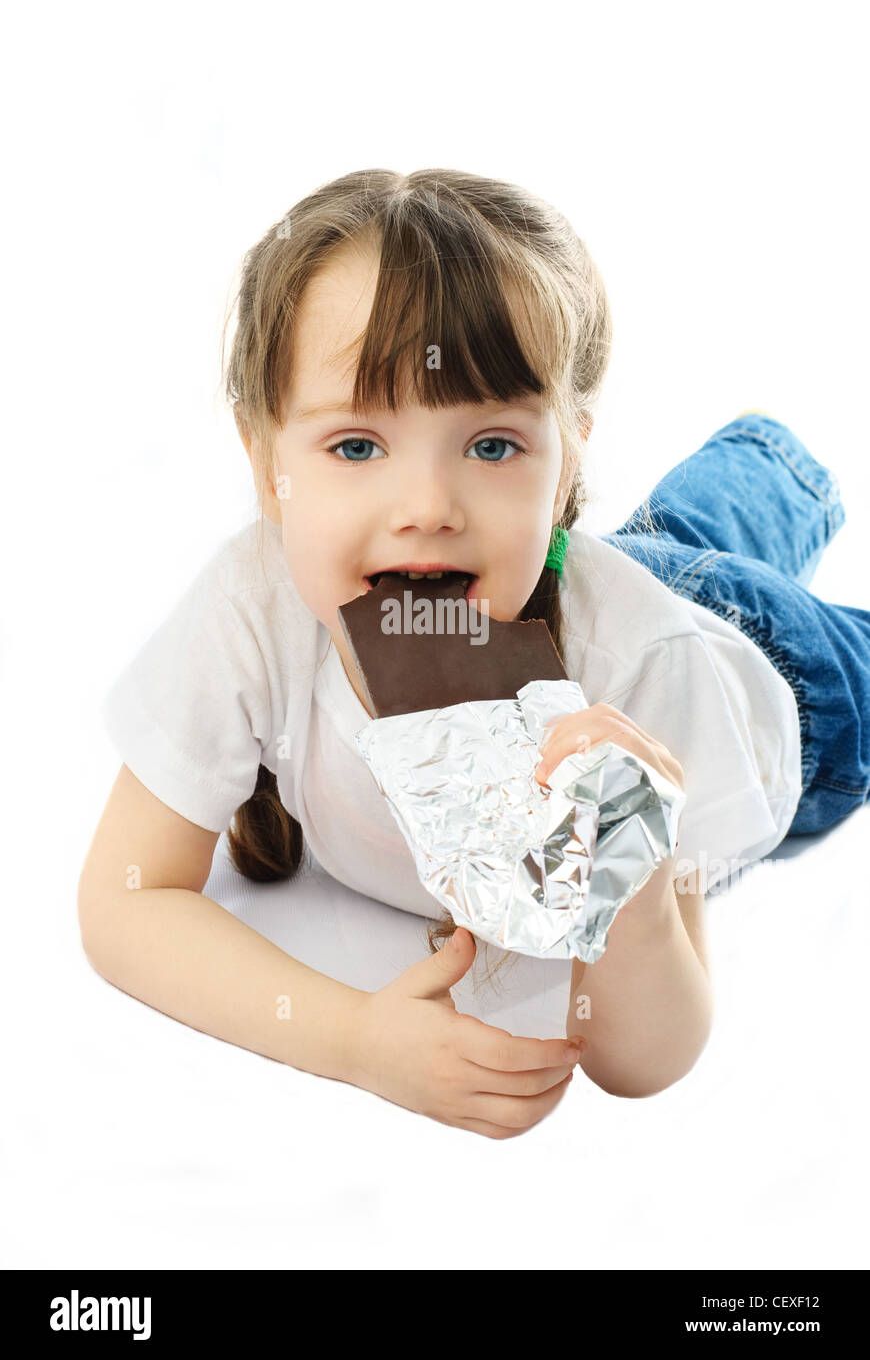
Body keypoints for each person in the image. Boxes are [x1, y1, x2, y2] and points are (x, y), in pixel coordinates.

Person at [77, 169, 869, 1138]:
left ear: (564, 460)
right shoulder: (254, 600)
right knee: (680, 547)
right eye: (359, 446)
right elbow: (127, 902)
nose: (429, 508)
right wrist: (354, 1039)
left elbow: (646, 1061)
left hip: (787, 680)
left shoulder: (648, 667)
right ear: (266, 464)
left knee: (724, 596)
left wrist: (634, 864)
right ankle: (767, 465)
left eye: (492, 446)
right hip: (604, 565)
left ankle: (771, 477)